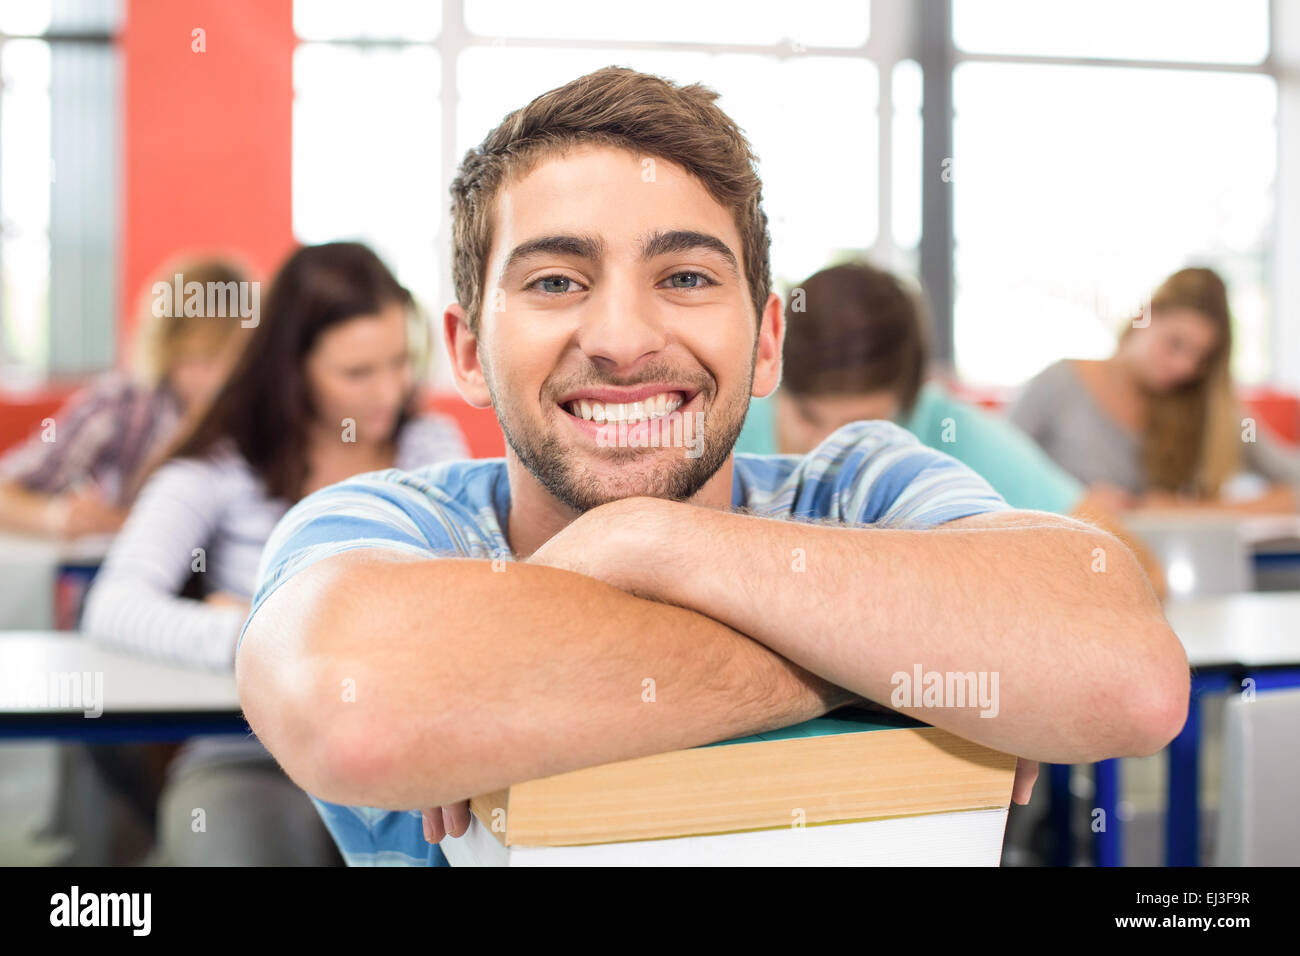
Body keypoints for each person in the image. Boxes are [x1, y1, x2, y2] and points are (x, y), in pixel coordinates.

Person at [237, 67, 1189, 866]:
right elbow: (363, 716)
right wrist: (899, 666)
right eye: (556, 281)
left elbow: (1128, 677)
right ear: (469, 351)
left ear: (767, 341)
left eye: (686, 277)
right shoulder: (384, 527)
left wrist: (646, 543)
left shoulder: (859, 484)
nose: (619, 338)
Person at [81, 241, 468, 864]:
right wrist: (263, 638)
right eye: (357, 373)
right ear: (293, 367)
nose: (389, 393)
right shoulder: (218, 464)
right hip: (251, 757)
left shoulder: (429, 445)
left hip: (407, 748)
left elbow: (468, 600)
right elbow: (114, 604)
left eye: (401, 364)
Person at [755, 259, 1166, 598]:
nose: (827, 449)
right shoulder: (732, 419)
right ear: (771, 375)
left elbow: (1135, 570)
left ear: (909, 403)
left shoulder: (950, 430)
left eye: (858, 427)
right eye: (808, 418)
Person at [1010, 267, 1300, 514]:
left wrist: (1191, 512)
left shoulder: (1207, 404)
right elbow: (988, 475)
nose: (1185, 366)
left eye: (1201, 358)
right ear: (1143, 317)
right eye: (1175, 344)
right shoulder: (1059, 383)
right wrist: (1072, 502)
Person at [0, 258, 250, 537]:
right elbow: (6, 491)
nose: (220, 378)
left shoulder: (264, 410)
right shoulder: (122, 403)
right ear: (167, 350)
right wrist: (56, 516)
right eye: (203, 359)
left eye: (236, 360)